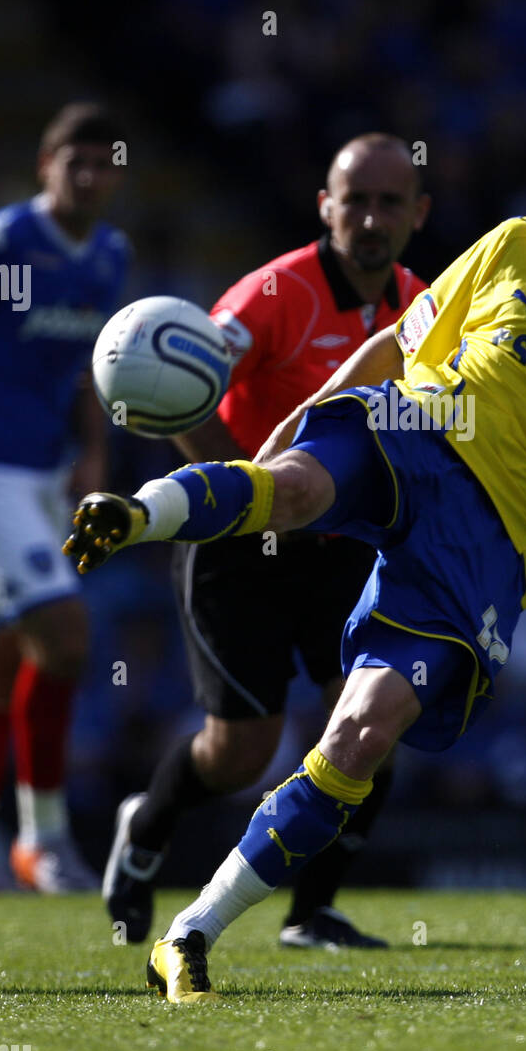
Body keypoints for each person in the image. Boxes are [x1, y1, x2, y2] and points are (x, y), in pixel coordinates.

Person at [64, 87, 526, 1000]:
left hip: (496, 544)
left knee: (361, 734)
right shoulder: (523, 243)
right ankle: (137, 512)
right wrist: (296, 416)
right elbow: (402, 350)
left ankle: (191, 932)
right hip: (422, 429)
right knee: (293, 488)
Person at [102, 132, 429, 948]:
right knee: (241, 752)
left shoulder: (423, 302)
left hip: (346, 544)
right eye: (355, 198)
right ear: (326, 205)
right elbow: (181, 389)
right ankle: (149, 820)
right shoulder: (273, 293)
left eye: (391, 201)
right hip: (239, 548)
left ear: (419, 214)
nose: (371, 216)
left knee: (374, 719)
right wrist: (242, 495)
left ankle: (310, 912)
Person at [0, 103, 129, 891]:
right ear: (45, 166)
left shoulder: (108, 258)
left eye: (103, 163)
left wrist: (92, 453)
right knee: (65, 637)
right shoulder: (1, 246)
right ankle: (47, 840)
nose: (89, 177)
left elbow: (95, 368)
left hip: (46, 476)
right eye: (74, 163)